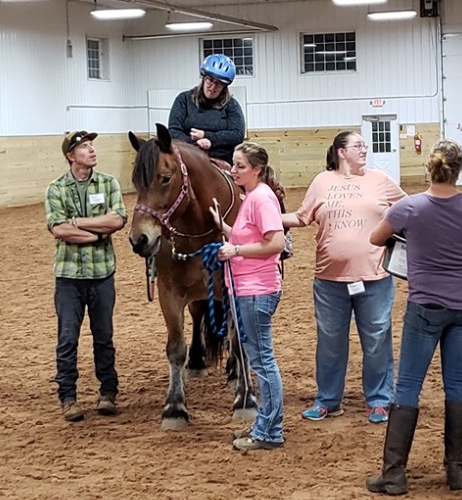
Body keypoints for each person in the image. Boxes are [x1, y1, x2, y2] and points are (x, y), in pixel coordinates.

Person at [365, 140, 462, 494]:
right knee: (457, 382)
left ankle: (394, 474)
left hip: (426, 307)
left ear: (429, 169)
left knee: (408, 385)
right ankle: (455, 471)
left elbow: (377, 238)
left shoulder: (410, 207)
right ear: (459, 170)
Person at [282, 131, 408, 424]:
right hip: (329, 279)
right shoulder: (322, 181)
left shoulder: (380, 180)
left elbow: (408, 209)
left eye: (365, 145)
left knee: (377, 338)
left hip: (374, 276)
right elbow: (301, 217)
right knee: (330, 340)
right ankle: (328, 399)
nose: (365, 149)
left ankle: (379, 400)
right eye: (358, 145)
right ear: (341, 152)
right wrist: (262, 217)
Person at [44, 131, 128, 422]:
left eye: (91, 145)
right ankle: (68, 396)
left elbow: (117, 219)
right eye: (84, 146)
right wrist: (97, 234)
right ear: (71, 155)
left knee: (104, 336)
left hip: (101, 273)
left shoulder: (108, 183)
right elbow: (58, 229)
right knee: (67, 338)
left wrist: (77, 222)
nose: (91, 150)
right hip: (68, 277)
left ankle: (108, 392)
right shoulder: (56, 188)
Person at [216, 142, 289, 452]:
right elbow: (247, 234)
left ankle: (270, 432)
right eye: (233, 164)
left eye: (240, 166)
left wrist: (236, 251)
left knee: (262, 362)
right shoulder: (252, 198)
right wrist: (220, 225)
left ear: (256, 169)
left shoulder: (261, 199)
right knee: (261, 360)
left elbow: (276, 243)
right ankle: (265, 426)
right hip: (248, 289)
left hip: (257, 290)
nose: (234, 170)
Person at [168, 54, 247, 165]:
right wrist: (196, 144)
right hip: (189, 157)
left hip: (223, 160)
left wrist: (208, 137)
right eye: (210, 80)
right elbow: (173, 131)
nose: (213, 87)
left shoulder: (231, 105)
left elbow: (237, 134)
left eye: (219, 83)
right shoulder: (184, 99)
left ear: (225, 86)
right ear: (204, 78)